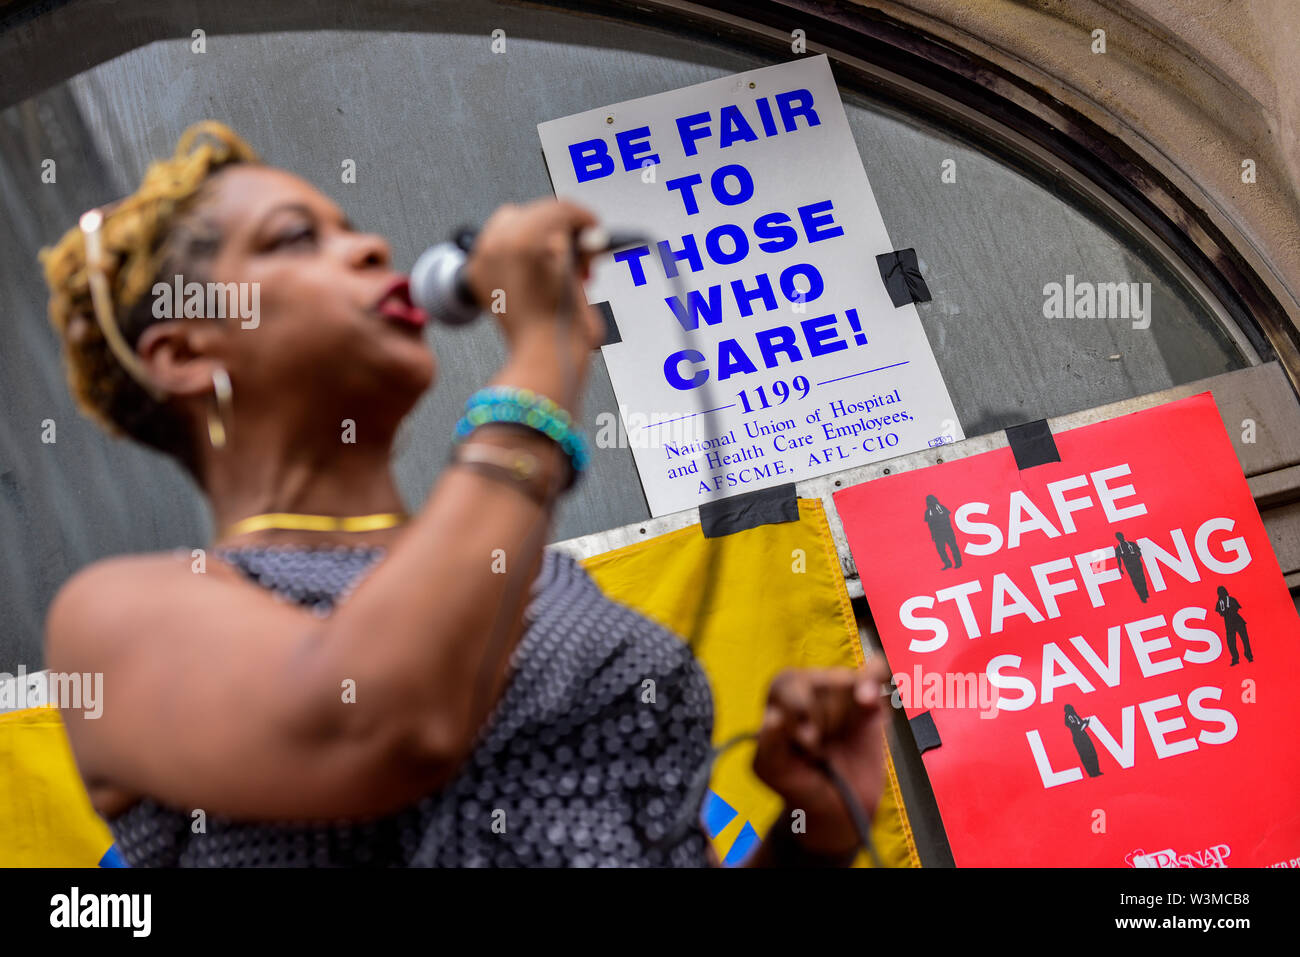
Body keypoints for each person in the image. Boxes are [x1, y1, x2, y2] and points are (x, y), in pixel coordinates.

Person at [39, 121, 887, 867]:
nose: (370, 248)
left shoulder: (535, 580)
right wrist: (543, 366)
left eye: (354, 229)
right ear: (185, 354)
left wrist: (810, 832)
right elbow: (382, 724)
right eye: (296, 238)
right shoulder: (119, 619)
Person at [1214, 585, 1254, 665]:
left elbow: (1236, 608)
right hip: (1230, 624)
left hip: (1237, 622)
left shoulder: (1230, 600)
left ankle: (1248, 656)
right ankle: (1236, 659)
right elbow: (1220, 612)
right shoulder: (1220, 603)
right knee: (1232, 643)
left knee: (1244, 640)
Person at [923, 494, 961, 570]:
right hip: (939, 534)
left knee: (953, 547)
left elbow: (947, 519)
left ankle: (958, 563)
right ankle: (948, 563)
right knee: (941, 550)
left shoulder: (941, 508)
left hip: (947, 532)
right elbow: (930, 526)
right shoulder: (929, 511)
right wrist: (933, 535)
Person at [1064, 705, 1102, 778]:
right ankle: (1092, 773)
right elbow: (1074, 726)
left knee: (1092, 752)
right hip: (1078, 737)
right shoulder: (1069, 716)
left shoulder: (1075, 715)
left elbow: (1079, 723)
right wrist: (1082, 725)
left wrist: (1084, 723)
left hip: (1084, 735)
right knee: (1085, 755)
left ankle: (1096, 771)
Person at [1114, 532, 1148, 602]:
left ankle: (1145, 593)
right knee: (1135, 580)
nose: (1120, 538)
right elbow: (1118, 560)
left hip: (1136, 564)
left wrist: (1136, 558)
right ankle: (1142, 596)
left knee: (1141, 578)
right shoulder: (1118, 548)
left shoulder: (1131, 544)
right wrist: (1120, 568)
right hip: (1130, 566)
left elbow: (1139, 552)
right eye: (1119, 537)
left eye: (1120, 536)